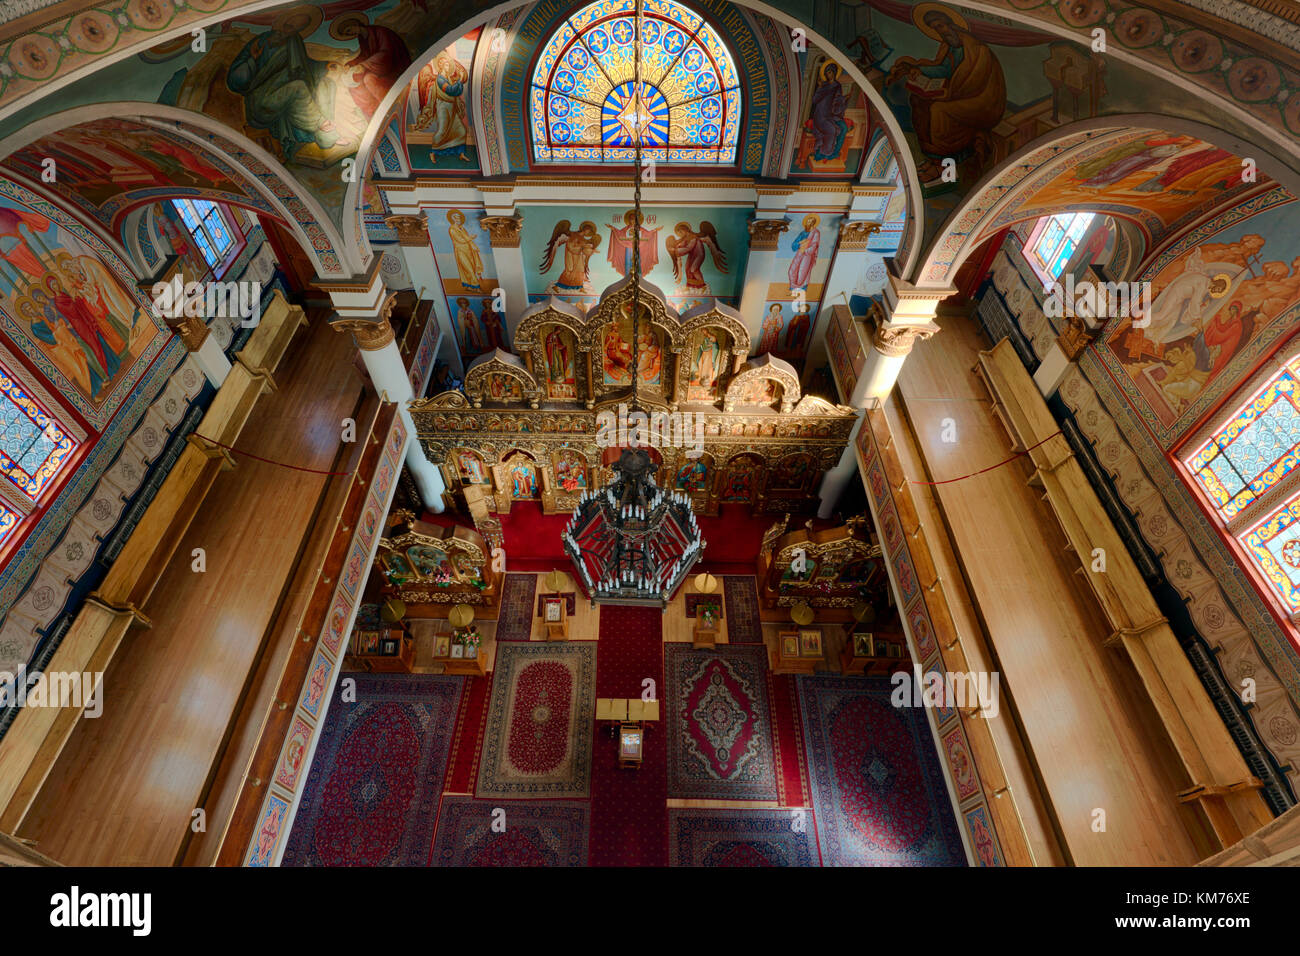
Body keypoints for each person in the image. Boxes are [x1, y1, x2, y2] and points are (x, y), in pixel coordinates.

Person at [885, 7, 1005, 180]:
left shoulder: (978, 50)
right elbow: (944, 68)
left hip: (981, 100)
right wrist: (919, 70)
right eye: (936, 28)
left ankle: (944, 165)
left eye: (941, 25)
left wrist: (947, 93)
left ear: (952, 24)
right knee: (918, 100)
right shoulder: (951, 46)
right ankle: (931, 157)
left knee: (939, 109)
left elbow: (975, 83)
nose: (940, 31)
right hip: (956, 92)